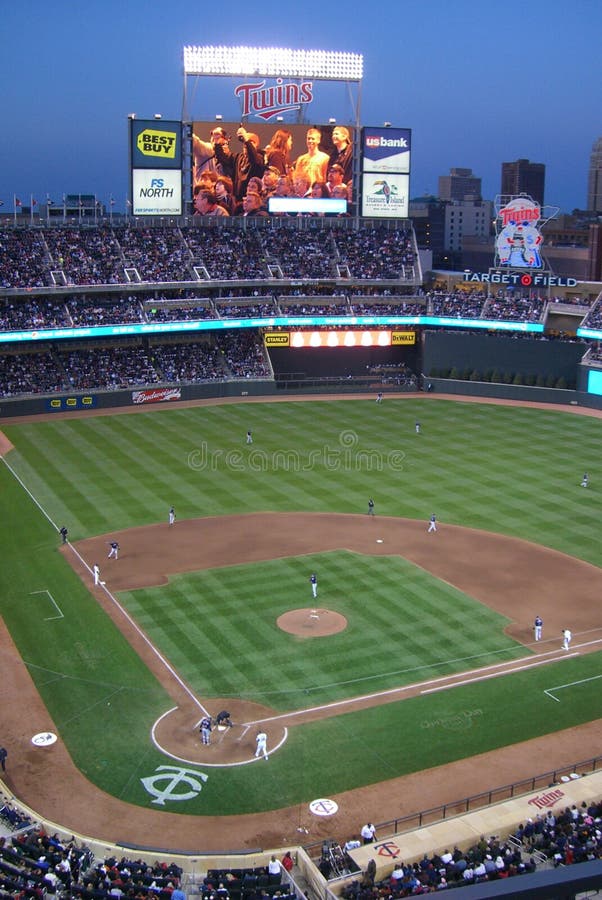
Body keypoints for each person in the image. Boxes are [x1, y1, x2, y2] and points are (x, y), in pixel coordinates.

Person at [214, 126, 266, 202]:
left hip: (251, 199)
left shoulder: (259, 158)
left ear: (256, 145)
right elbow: (223, 159)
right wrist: (217, 143)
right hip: (237, 199)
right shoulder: (238, 157)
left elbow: (254, 159)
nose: (245, 144)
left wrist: (246, 140)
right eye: (244, 142)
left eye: (251, 142)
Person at [328, 125, 353, 191]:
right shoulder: (332, 155)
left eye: (336, 134)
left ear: (345, 136)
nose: (334, 136)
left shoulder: (352, 150)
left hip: (348, 189)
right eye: (333, 134)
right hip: (334, 190)